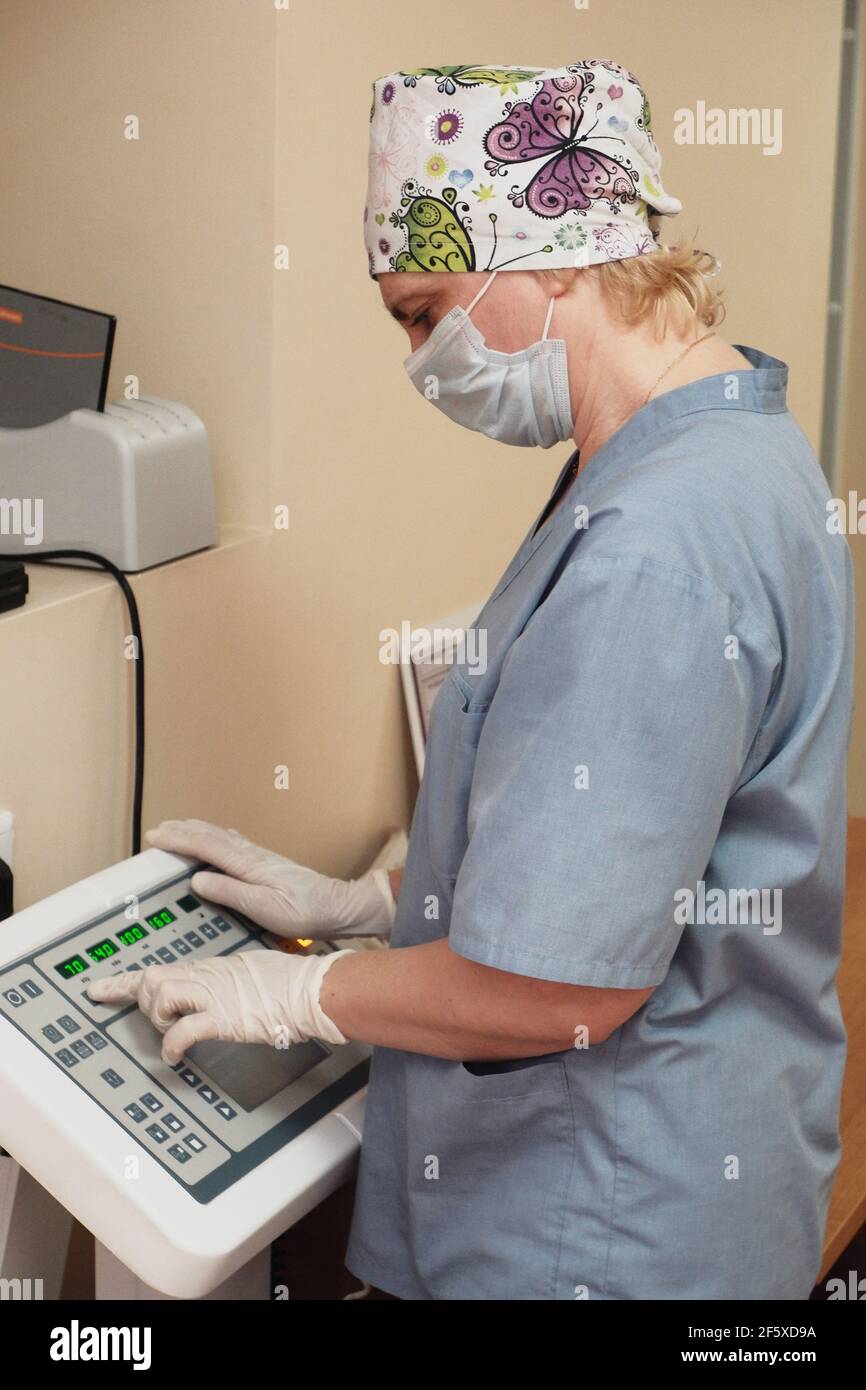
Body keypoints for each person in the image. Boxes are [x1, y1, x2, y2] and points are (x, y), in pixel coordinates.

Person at [89, 60, 854, 1301]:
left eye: (422, 307)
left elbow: (561, 988)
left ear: (551, 253)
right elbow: (606, 836)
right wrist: (370, 898)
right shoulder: (730, 452)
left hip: (592, 1226)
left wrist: (291, 990)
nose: (420, 356)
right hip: (690, 1178)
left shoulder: (653, 550)